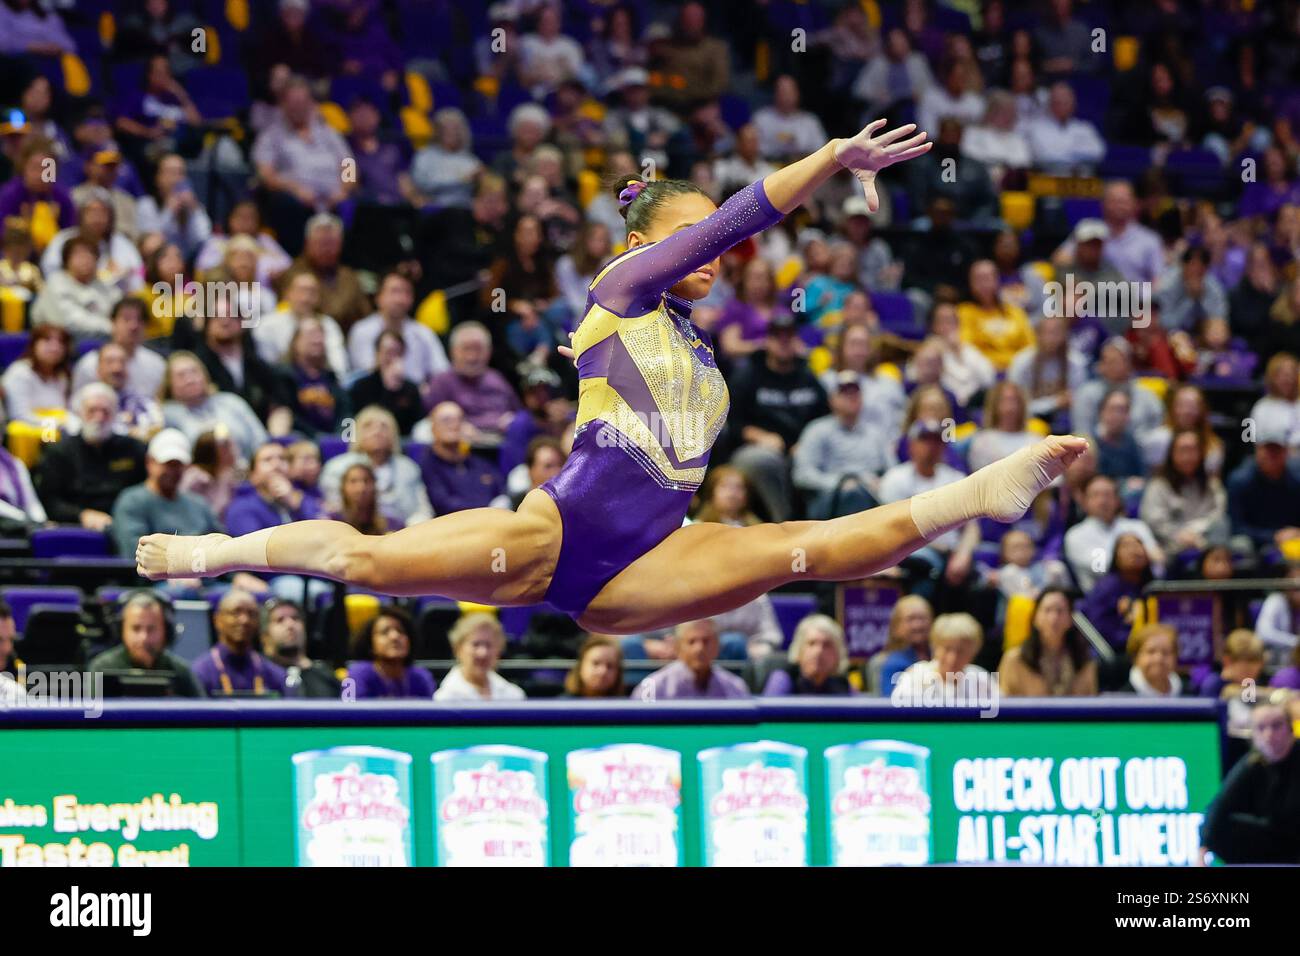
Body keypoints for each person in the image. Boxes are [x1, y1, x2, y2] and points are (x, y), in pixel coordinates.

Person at [137, 121, 1087, 639]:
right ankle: (219, 553)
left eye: (707, 236)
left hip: (644, 563)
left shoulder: (708, 357)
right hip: (556, 530)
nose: (711, 250)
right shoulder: (617, 292)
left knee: (809, 547)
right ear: (647, 243)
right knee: (364, 564)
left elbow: (729, 249)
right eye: (690, 232)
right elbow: (734, 225)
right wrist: (831, 160)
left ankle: (980, 494)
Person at [1198, 699, 1300, 864]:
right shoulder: (1251, 764)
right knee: (1226, 827)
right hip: (1272, 843)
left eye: (1276, 726)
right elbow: (1219, 807)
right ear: (1253, 735)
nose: (1269, 735)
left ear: (1290, 729)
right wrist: (1201, 854)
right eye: (1261, 728)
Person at [34, 384, 147, 532]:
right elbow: (49, 501)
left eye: (105, 411)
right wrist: (82, 515)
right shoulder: (59, 451)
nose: (99, 417)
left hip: (125, 522)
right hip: (75, 526)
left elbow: (145, 491)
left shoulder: (134, 448)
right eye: (92, 410)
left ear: (115, 415)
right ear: (80, 413)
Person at [792, 370, 896, 517]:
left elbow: (893, 471)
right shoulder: (817, 430)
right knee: (852, 494)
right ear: (832, 399)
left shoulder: (875, 433)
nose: (852, 397)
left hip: (871, 495)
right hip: (830, 500)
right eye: (845, 392)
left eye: (856, 392)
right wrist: (840, 483)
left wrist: (881, 483)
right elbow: (802, 475)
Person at [111, 428, 222, 565]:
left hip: (206, 578)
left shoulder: (199, 504)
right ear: (150, 463)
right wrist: (177, 572)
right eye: (168, 464)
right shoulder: (132, 501)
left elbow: (220, 545)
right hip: (157, 580)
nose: (173, 471)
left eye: (178, 465)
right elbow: (134, 551)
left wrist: (237, 575)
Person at [88, 590, 203, 697]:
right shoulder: (102, 669)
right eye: (136, 628)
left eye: (151, 629)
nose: (144, 638)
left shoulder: (181, 673)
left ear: (166, 631)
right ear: (121, 630)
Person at [346, 271, 449, 387]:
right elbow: (363, 373)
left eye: (407, 293)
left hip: (416, 397)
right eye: (394, 291)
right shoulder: (362, 331)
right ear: (378, 297)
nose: (400, 299)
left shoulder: (423, 333)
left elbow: (442, 373)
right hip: (374, 394)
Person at [998, 588, 1097, 696]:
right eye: (1047, 610)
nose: (1053, 618)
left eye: (1060, 611)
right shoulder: (1015, 659)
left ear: (1070, 618)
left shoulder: (1084, 660)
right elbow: (1005, 703)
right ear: (1035, 617)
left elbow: (1090, 702)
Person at [419, 402, 510, 515]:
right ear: (433, 427)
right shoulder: (428, 465)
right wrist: (484, 511)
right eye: (446, 420)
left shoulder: (479, 462)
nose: (454, 425)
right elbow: (442, 503)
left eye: (460, 419)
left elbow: (502, 490)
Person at [192, 589, 288, 696]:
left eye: (251, 614)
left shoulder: (275, 675)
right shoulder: (200, 673)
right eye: (236, 612)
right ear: (217, 620)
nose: (245, 620)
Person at [633, 618, 749, 700]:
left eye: (706, 641)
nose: (699, 648)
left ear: (718, 646)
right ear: (677, 647)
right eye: (691, 641)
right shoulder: (652, 687)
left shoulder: (735, 686)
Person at [71, 299, 166, 399]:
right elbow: (77, 404)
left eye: (140, 320)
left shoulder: (157, 364)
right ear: (113, 322)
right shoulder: (89, 364)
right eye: (126, 319)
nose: (134, 326)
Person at [344, 604, 435, 699]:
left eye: (401, 631)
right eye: (384, 632)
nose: (395, 637)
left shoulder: (421, 676)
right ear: (370, 645)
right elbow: (347, 710)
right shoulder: (355, 674)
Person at [891, 612, 990, 699]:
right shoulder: (915, 677)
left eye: (960, 651)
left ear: (973, 652)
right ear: (935, 647)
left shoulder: (981, 679)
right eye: (947, 649)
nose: (952, 658)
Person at [259, 597, 341, 698]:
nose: (290, 625)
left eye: (295, 618)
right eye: (280, 620)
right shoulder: (258, 673)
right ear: (265, 636)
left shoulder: (325, 675)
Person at [433, 612, 524, 701]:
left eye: (488, 645)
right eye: (476, 644)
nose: (483, 653)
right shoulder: (444, 699)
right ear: (458, 648)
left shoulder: (514, 695)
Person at [762, 614, 853, 695]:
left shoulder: (843, 685)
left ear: (838, 654)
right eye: (812, 643)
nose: (819, 651)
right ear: (799, 650)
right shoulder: (783, 679)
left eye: (827, 645)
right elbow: (769, 712)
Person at [0, 322, 72, 425]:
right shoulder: (20, 372)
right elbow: (19, 416)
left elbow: (63, 410)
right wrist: (58, 423)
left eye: (61, 342)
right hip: (25, 435)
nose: (55, 347)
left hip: (52, 432)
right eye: (47, 340)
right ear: (34, 344)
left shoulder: (62, 375)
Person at [1118, 623, 1183, 697]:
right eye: (1151, 652)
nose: (1158, 659)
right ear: (1136, 657)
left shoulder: (1188, 693)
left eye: (1166, 652)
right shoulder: (1123, 698)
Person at [562, 634, 626, 698]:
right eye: (596, 663)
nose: (602, 671)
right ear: (580, 666)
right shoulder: (560, 705)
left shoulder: (627, 706)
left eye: (610, 666)